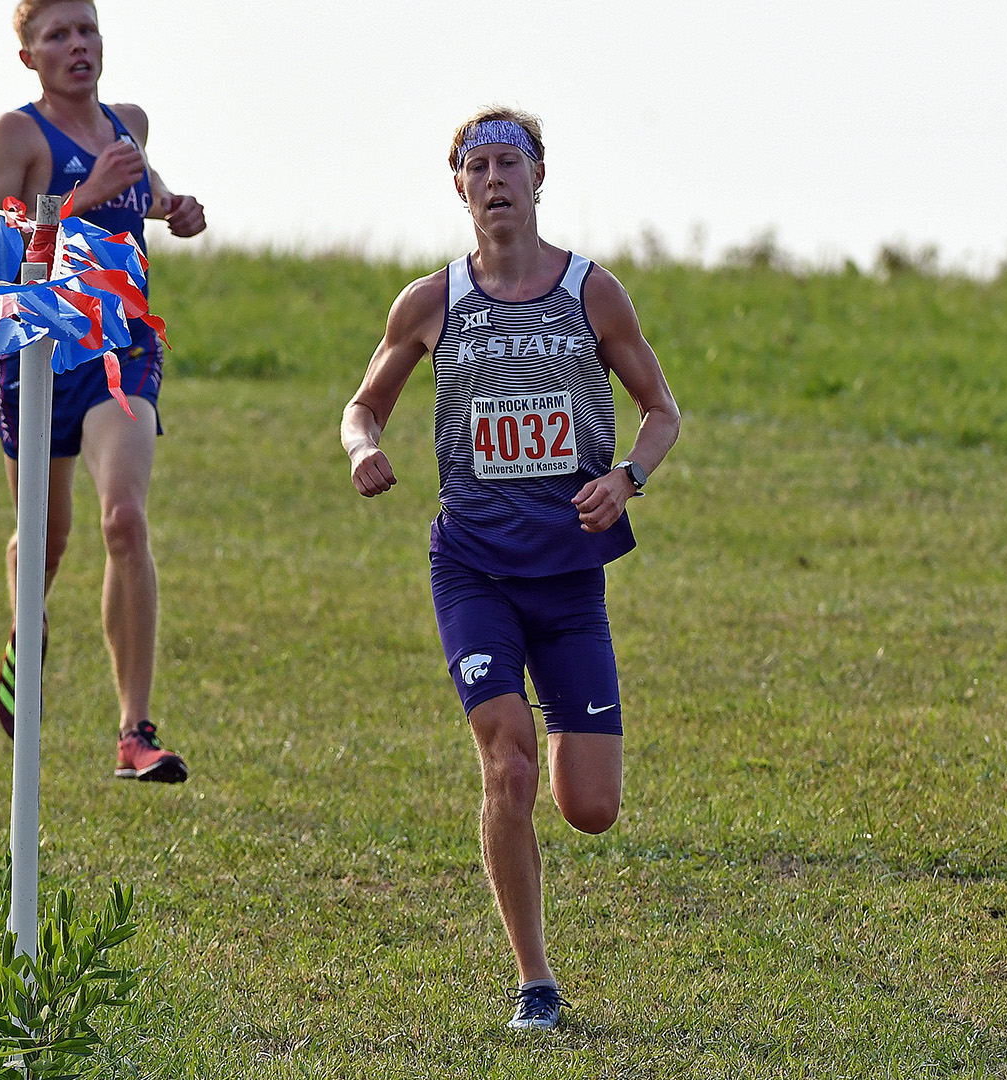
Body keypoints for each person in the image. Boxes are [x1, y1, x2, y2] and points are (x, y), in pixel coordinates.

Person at [340, 107, 681, 1030]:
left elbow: (660, 411)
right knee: (508, 762)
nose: (495, 179)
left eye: (510, 163)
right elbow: (362, 407)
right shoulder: (430, 302)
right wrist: (361, 448)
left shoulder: (591, 294)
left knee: (592, 807)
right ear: (458, 187)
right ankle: (536, 982)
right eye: (478, 166)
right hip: (474, 569)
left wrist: (628, 477)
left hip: (569, 578)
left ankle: (561, 821)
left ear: (539, 178)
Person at [0, 0, 205, 782]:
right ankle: (24, 629)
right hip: (35, 352)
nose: (77, 46)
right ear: (28, 56)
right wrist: (78, 197)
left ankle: (135, 732)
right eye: (57, 35)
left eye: (86, 30)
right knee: (47, 537)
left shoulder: (128, 123)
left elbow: (146, 191)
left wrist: (174, 208)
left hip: (121, 350)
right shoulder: (15, 135)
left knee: (125, 519)